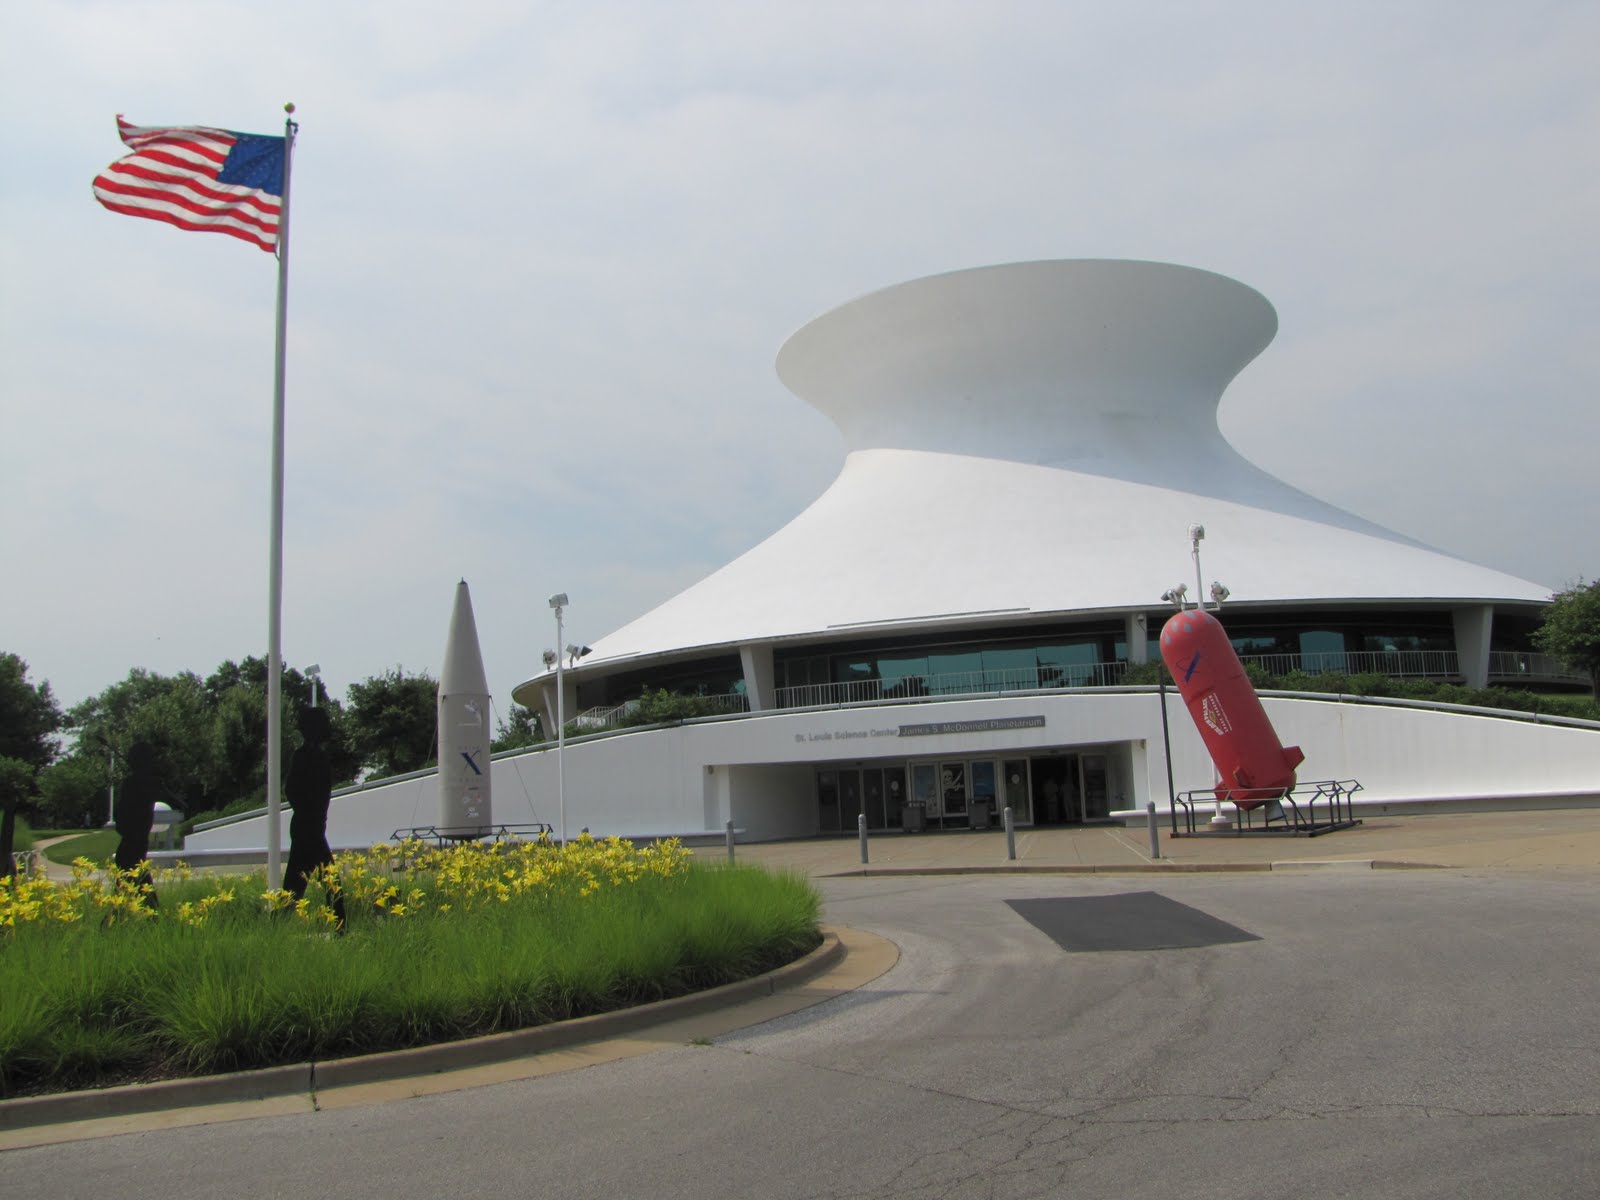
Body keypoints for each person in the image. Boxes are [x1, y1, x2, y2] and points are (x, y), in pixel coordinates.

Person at [283, 706, 346, 930]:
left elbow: (294, 791)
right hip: (309, 830)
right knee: (329, 883)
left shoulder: (312, 756)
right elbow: (293, 790)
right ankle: (340, 929)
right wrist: (311, 814)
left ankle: (277, 928)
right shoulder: (309, 757)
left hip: (309, 828)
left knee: (296, 885)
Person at [115, 739, 161, 907]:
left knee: (129, 888)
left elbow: (121, 816)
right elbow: (122, 817)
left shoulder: (141, 784)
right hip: (133, 844)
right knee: (132, 887)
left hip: (134, 844)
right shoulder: (142, 784)